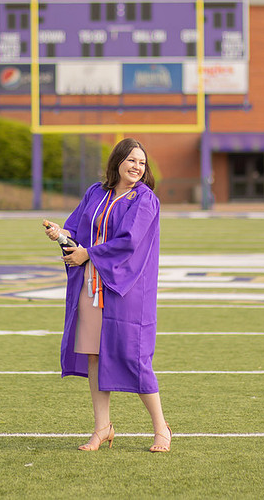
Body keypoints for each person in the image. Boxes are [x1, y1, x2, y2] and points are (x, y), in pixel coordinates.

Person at [42, 138, 171, 452]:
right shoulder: (95, 193)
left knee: (134, 357)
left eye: (141, 162)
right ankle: (103, 428)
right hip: (90, 286)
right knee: (94, 356)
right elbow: (77, 233)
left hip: (125, 290)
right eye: (131, 161)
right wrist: (61, 235)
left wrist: (88, 253)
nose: (137, 167)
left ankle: (161, 428)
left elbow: (129, 241)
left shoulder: (144, 199)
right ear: (118, 162)